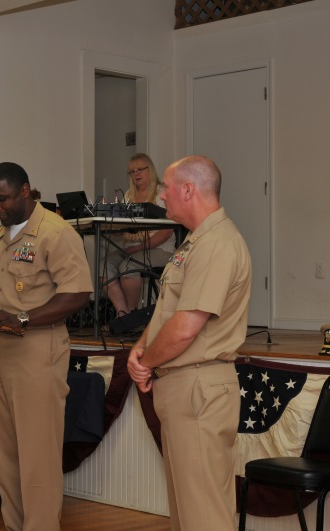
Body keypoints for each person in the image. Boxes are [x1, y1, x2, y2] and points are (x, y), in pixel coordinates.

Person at [0, 162, 93, 530]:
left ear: (24, 191)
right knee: (6, 454)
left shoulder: (56, 232)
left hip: (39, 348)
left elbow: (77, 294)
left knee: (37, 455)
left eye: (2, 199)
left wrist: (22, 318)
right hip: (3, 353)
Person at [126, 155, 251, 531]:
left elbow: (185, 328)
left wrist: (145, 362)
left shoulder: (216, 244)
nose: (162, 195)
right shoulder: (194, 243)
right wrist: (141, 347)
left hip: (199, 385)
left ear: (188, 190)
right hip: (183, 386)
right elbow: (169, 310)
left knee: (204, 516)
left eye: (166, 187)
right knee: (187, 514)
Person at [103, 154, 175, 322]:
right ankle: (123, 313)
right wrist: (112, 222)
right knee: (103, 266)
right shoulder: (129, 195)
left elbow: (166, 232)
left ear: (151, 169)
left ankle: (130, 317)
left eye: (140, 169)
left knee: (128, 266)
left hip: (160, 249)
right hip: (130, 248)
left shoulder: (162, 194)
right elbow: (121, 230)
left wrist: (137, 248)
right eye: (132, 171)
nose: (136, 174)